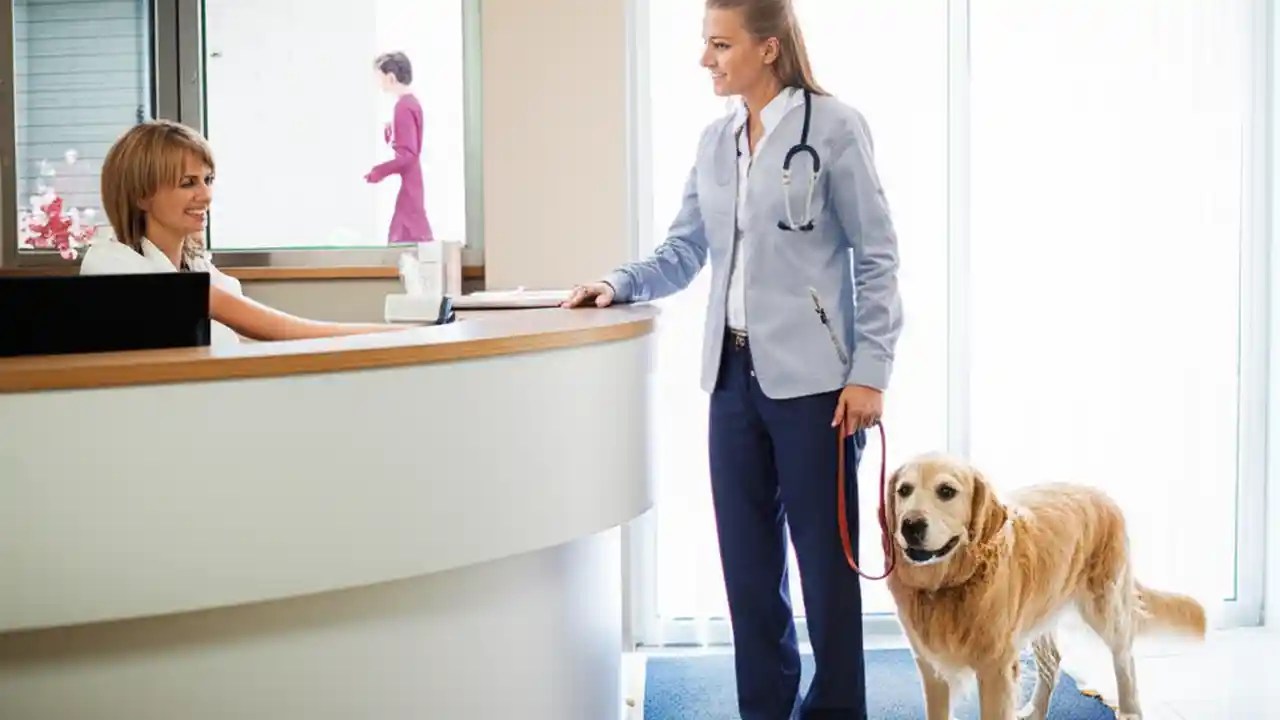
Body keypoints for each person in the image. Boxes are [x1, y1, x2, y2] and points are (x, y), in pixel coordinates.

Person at [564, 1, 903, 717]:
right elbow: (686, 247)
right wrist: (618, 283)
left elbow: (876, 256)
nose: (706, 59)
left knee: (826, 575)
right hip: (732, 380)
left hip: (817, 388)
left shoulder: (835, 129)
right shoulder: (717, 142)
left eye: (720, 44)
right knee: (748, 573)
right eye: (705, 44)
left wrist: (870, 370)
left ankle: (839, 709)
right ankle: (765, 708)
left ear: (769, 49)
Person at [81, 119, 403, 344]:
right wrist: (403, 335)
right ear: (142, 195)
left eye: (208, 180)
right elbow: (283, 330)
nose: (206, 195)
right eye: (188, 183)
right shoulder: (113, 265)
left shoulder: (195, 265)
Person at [365, 51, 434, 245]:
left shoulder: (403, 107)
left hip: (410, 185)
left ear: (391, 77)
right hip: (413, 183)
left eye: (379, 78)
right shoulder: (411, 103)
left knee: (406, 238)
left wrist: (379, 171)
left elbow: (407, 156)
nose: (378, 83)